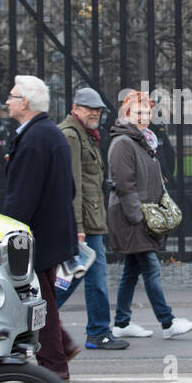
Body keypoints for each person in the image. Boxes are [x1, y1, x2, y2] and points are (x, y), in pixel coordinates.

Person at [1, 75, 82, 378]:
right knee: (41, 298)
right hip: (51, 232)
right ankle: (63, 346)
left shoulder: (35, 138)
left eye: (12, 95)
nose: (7, 101)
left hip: (36, 236)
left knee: (39, 302)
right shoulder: (49, 133)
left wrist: (6, 232)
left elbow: (23, 196)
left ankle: (54, 366)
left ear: (25, 102)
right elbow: (70, 188)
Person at [108, 89, 192, 340]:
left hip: (140, 214)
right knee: (150, 268)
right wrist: (138, 218)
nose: (144, 117)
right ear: (126, 114)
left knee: (131, 271)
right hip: (133, 216)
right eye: (138, 112)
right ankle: (167, 322)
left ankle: (122, 322)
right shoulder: (124, 142)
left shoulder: (142, 140)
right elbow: (125, 185)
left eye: (147, 112)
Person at [56, 87, 126, 351]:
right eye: (89, 109)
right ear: (76, 108)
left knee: (79, 276)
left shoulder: (86, 134)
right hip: (83, 223)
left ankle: (96, 331)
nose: (95, 113)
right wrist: (77, 227)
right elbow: (71, 185)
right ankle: (93, 331)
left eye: (97, 109)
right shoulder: (72, 135)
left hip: (91, 219)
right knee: (78, 278)